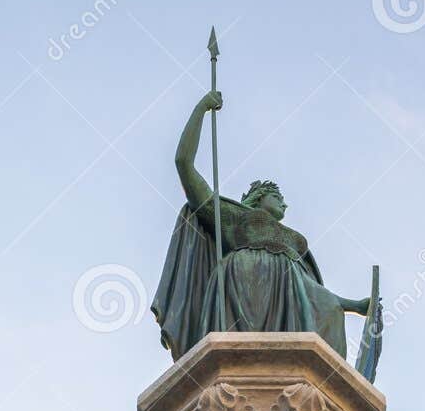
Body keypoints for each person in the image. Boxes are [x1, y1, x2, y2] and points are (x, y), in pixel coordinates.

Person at [153, 89, 372, 362]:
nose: (285, 205)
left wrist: (357, 306)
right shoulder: (233, 215)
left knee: (328, 316)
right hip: (241, 281)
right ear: (258, 198)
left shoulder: (292, 248)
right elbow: (183, 163)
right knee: (236, 358)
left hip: (291, 287)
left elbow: (320, 297)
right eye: (278, 197)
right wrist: (201, 108)